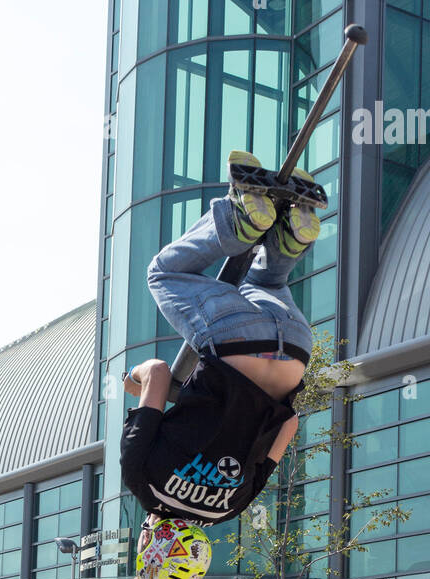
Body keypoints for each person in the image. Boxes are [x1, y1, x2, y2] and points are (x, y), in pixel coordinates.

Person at [119, 155, 320, 545]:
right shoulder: (140, 478)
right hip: (234, 342)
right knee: (163, 273)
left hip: (294, 350)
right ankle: (239, 220)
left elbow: (290, 425)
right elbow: (159, 371)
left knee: (265, 281)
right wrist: (136, 380)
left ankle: (292, 238)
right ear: (148, 540)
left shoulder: (231, 507)